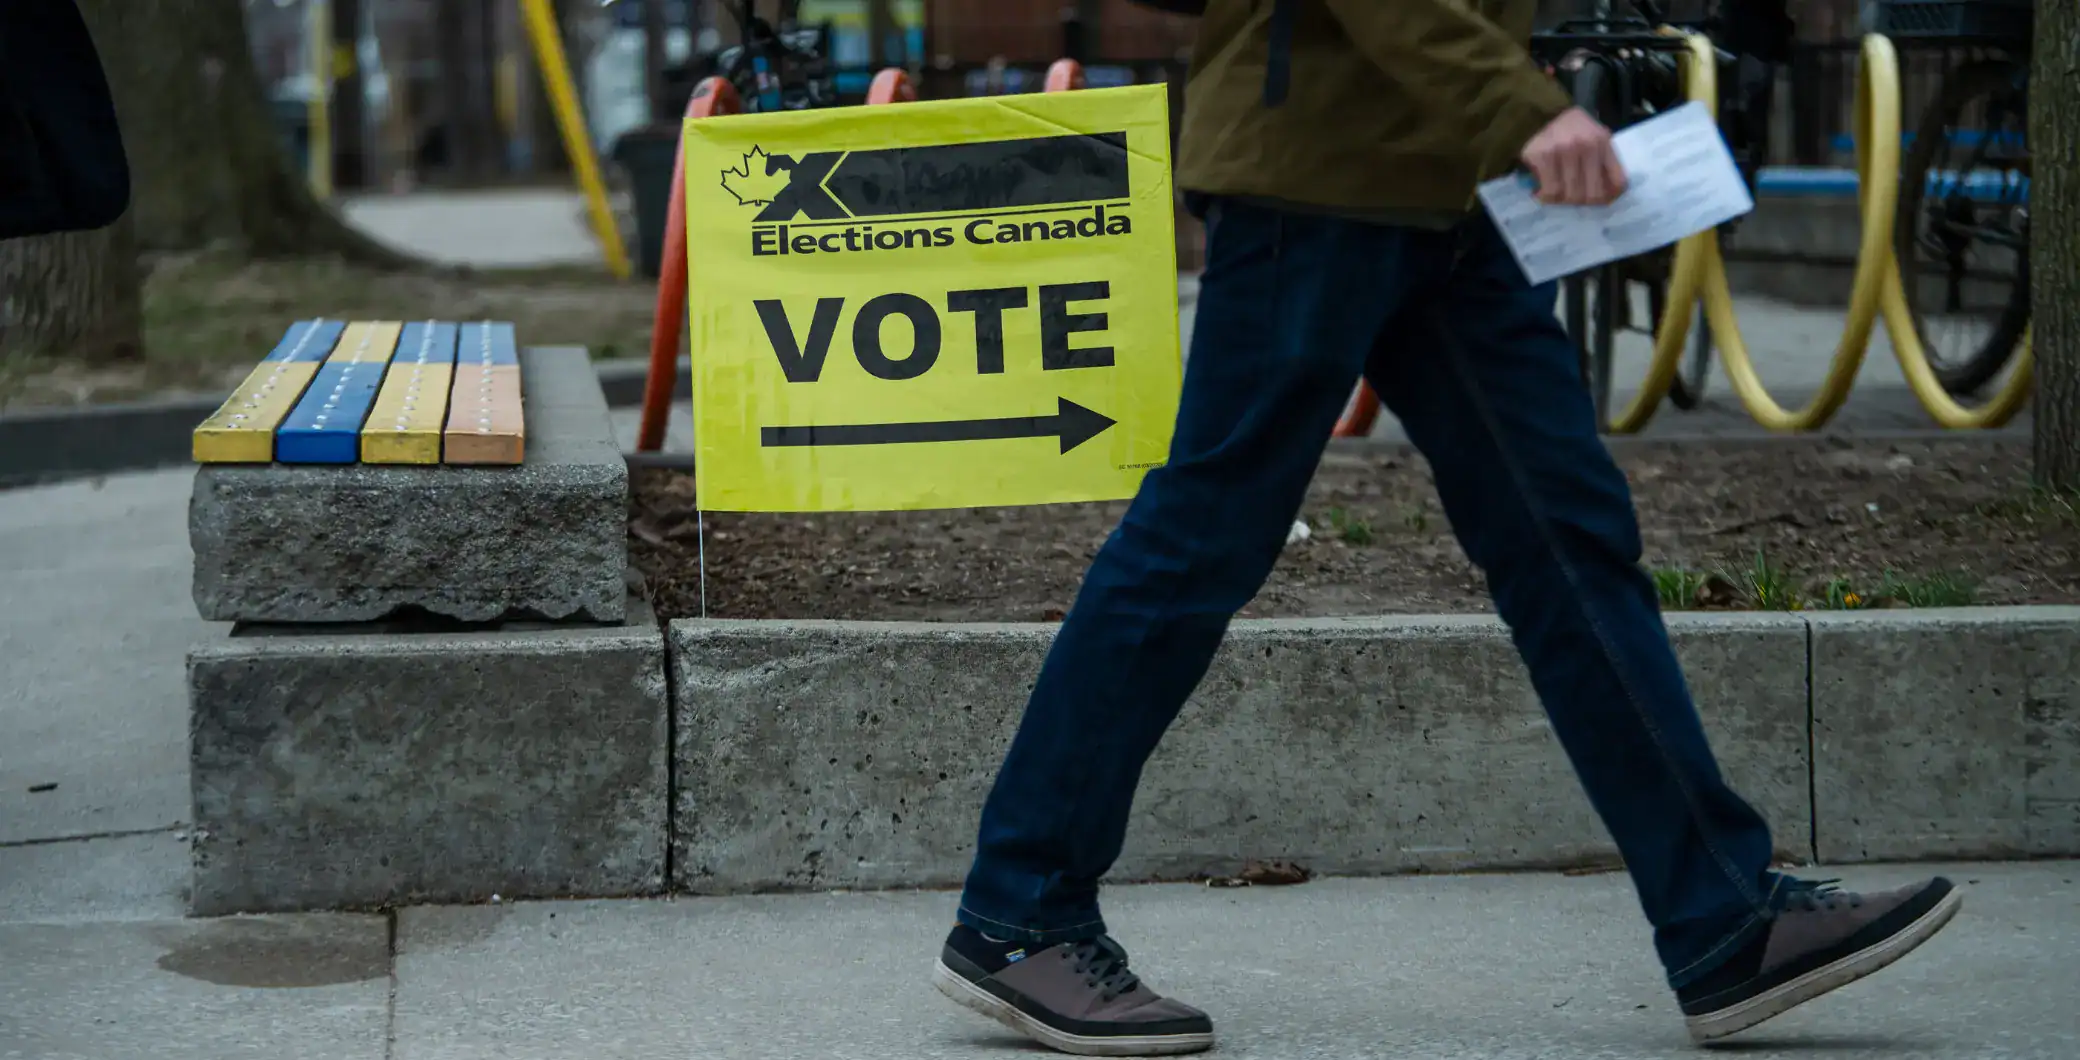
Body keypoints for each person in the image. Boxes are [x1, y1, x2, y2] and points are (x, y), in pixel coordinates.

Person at [930, 0, 1963, 1055]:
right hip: (1318, 176)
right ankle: (1020, 913)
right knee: (1201, 539)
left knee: (1568, 539)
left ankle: (1724, 914)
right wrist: (1520, 103)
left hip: (1454, 193)